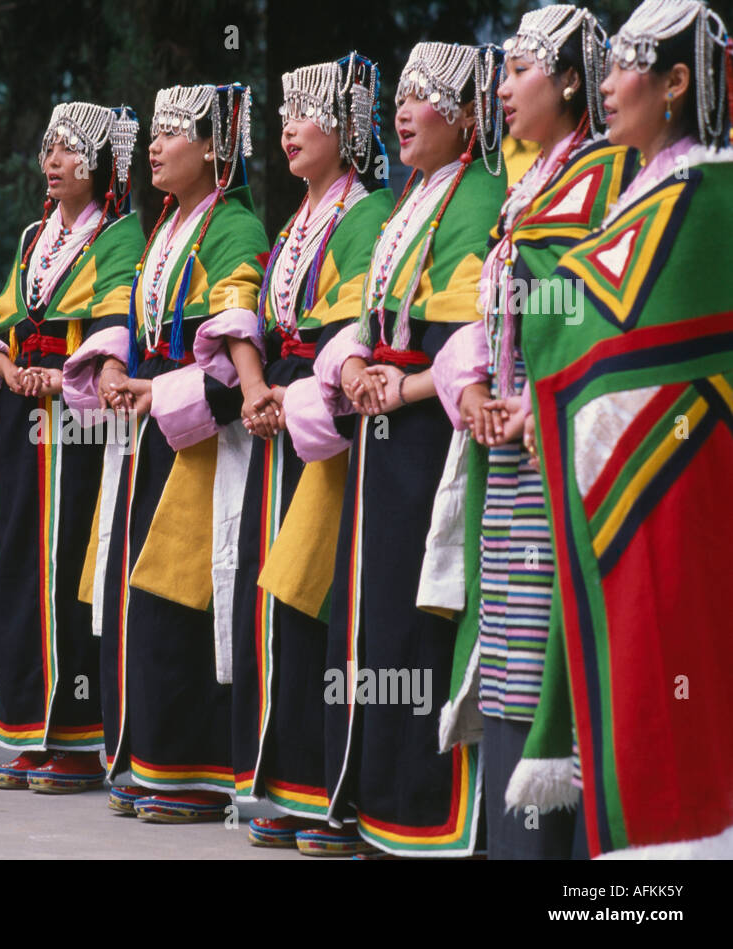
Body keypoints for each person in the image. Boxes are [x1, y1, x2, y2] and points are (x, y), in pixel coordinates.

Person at [514, 0, 733, 857]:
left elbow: (574, 314)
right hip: (650, 478)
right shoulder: (644, 189)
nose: (605, 83)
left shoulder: (706, 197)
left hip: (675, 483)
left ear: (677, 82)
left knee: (668, 680)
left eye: (625, 66)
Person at [429, 5, 638, 860]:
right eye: (503, 68)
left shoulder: (603, 180)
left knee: (560, 653)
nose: (503, 85)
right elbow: (497, 314)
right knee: (511, 653)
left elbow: (600, 318)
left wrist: (539, 398)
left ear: (569, 81)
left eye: (519, 69)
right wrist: (475, 383)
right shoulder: (534, 185)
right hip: (510, 451)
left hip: (559, 449)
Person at [192, 55, 393, 853]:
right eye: (281, 119)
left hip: (324, 425)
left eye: (305, 116)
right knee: (263, 594)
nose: (288, 131)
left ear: (345, 129)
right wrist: (252, 385)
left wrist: (289, 389)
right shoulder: (290, 225)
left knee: (316, 599)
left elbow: (349, 326)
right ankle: (275, 783)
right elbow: (245, 318)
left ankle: (327, 790)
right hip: (275, 413)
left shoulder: (367, 213)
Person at [314, 42, 507, 856]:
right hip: (380, 428)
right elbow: (363, 315)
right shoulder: (407, 202)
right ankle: (371, 797)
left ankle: (428, 811)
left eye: (424, 95)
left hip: (432, 433)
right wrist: (356, 365)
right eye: (399, 94)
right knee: (368, 616)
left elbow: (475, 338)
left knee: (417, 615)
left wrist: (404, 388)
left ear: (467, 115)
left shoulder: (480, 197)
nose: (402, 108)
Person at [0, 103, 145, 793]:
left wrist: (66, 368)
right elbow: (8, 320)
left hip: (79, 425)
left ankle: (76, 734)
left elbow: (117, 324)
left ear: (102, 163)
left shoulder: (121, 236)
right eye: (48, 146)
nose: (52, 159)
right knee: (19, 562)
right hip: (22, 419)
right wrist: (0, 365)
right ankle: (25, 725)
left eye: (71, 149)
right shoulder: (32, 239)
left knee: (71, 563)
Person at [63, 82, 269, 823]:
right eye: (154, 131)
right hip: (146, 431)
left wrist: (159, 392)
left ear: (215, 149)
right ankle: (143, 751)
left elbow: (237, 331)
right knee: (130, 591)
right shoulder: (165, 227)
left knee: (182, 595)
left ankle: (193, 766)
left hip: (202, 440)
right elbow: (131, 319)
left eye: (175, 131)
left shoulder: (234, 227)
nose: (154, 144)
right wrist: (115, 368)